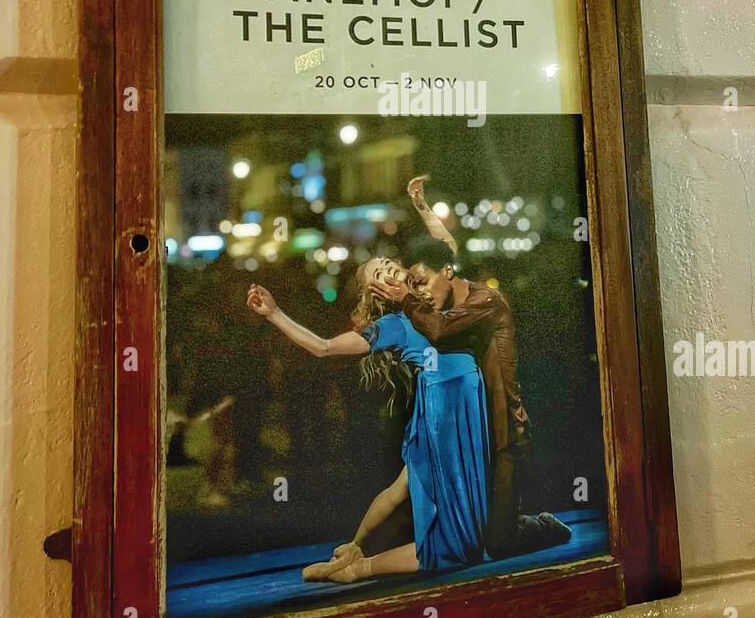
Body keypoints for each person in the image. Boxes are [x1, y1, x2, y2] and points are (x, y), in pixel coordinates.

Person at [245, 257, 490, 584]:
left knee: (401, 488)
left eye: (387, 262)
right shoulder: (396, 324)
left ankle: (353, 549)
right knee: (454, 547)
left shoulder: (435, 296)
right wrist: (274, 314)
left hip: (465, 405)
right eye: (377, 273)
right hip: (444, 413)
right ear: (377, 292)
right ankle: (359, 567)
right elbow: (324, 347)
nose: (387, 269)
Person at [369, 175, 571, 559]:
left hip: (501, 431)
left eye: (424, 282)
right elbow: (445, 249)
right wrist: (422, 209)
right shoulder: (444, 291)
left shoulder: (485, 301)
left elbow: (440, 328)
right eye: (415, 287)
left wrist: (406, 302)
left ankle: (541, 525)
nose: (421, 292)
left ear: (446, 273)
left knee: (498, 543)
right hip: (471, 429)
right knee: (465, 534)